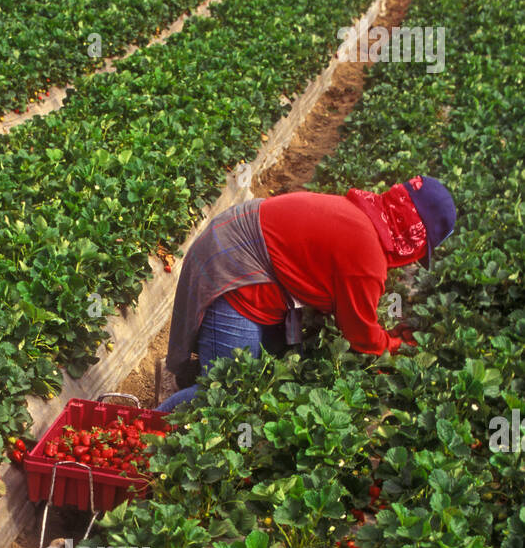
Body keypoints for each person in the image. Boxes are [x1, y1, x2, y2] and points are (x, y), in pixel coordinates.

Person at [156, 175, 457, 413]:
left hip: (235, 237)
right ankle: (144, 435)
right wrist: (396, 345)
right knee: (229, 391)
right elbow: (361, 336)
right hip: (235, 266)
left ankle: (194, 374)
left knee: (267, 366)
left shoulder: (367, 216)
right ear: (415, 237)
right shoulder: (367, 256)